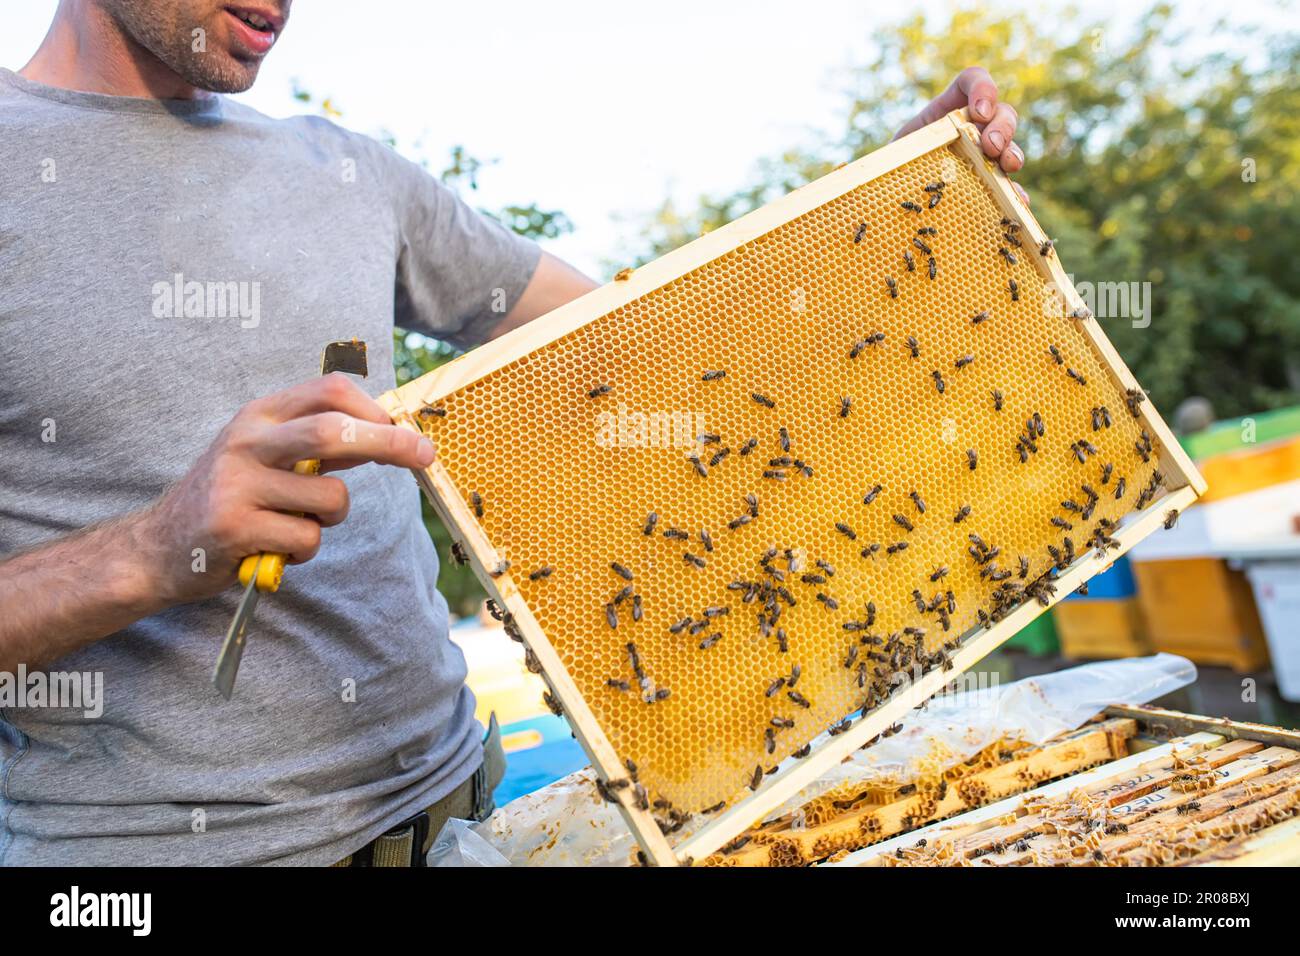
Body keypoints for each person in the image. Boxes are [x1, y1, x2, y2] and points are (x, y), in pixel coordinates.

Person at [0, 0, 1029, 865]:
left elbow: (660, 345)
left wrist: (884, 205)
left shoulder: (347, 170)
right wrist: (145, 550)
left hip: (464, 819)